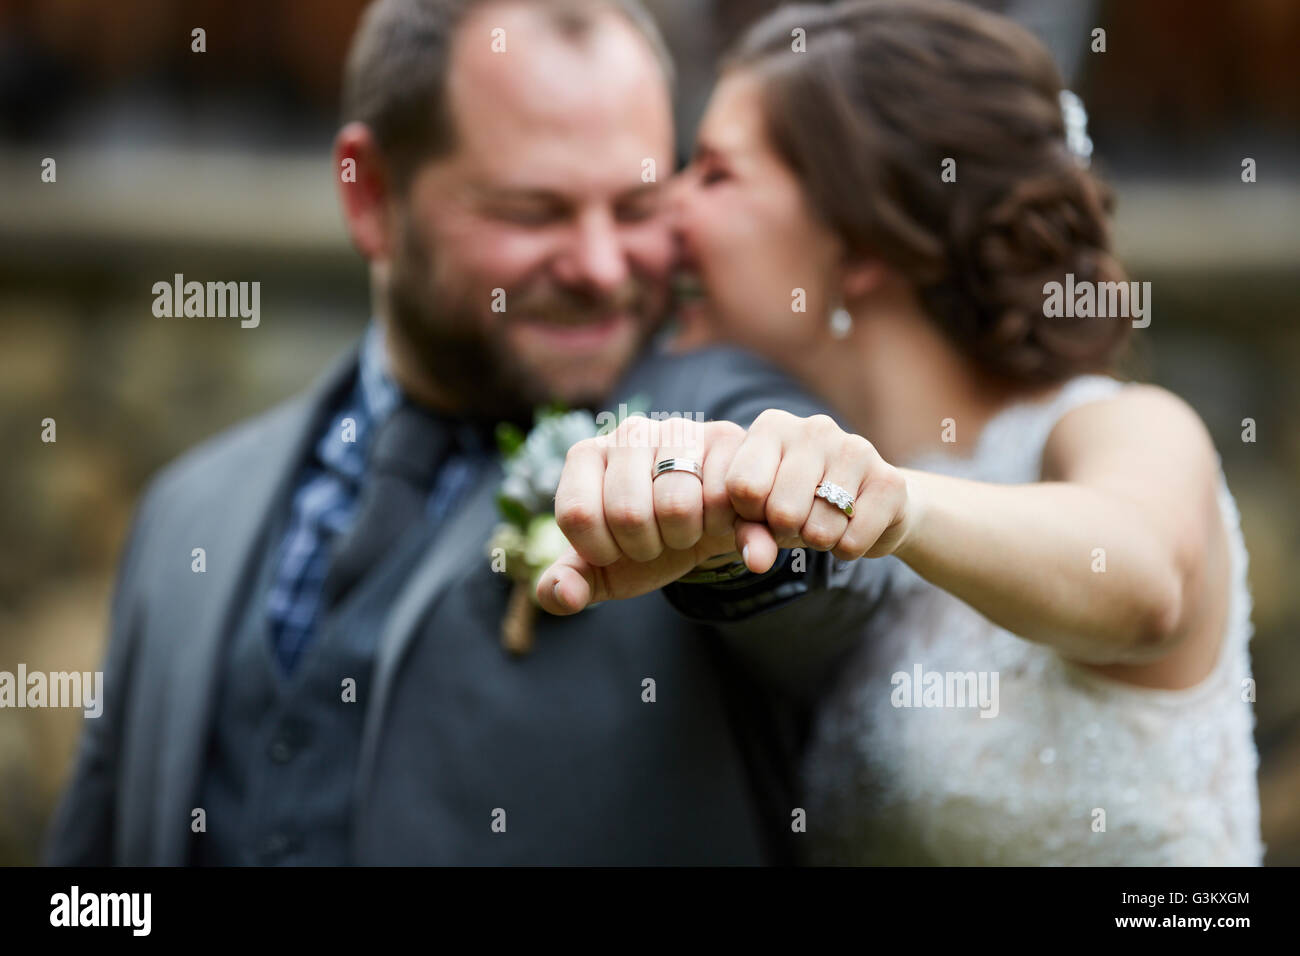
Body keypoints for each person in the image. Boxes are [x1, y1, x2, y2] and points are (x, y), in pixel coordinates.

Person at [43, 0, 887, 867]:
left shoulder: (713, 408)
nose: (601, 267)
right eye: (533, 211)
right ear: (369, 194)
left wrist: (739, 518)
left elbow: (834, 584)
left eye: (637, 206)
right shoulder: (188, 512)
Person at [539, 0, 1264, 864]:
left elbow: (1146, 584)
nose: (663, 217)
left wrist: (898, 505)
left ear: (860, 242)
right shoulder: (806, 534)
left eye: (716, 174)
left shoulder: (1120, 425)